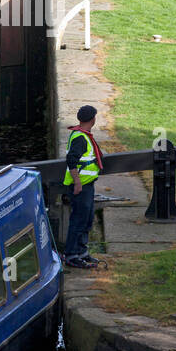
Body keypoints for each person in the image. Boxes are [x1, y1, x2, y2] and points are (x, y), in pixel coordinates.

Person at [63, 104, 103, 269]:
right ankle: (72, 255)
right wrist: (77, 183)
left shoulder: (82, 135)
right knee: (78, 221)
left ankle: (82, 252)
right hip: (80, 187)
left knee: (86, 219)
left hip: (87, 185)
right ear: (92, 119)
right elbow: (71, 161)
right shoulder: (80, 137)